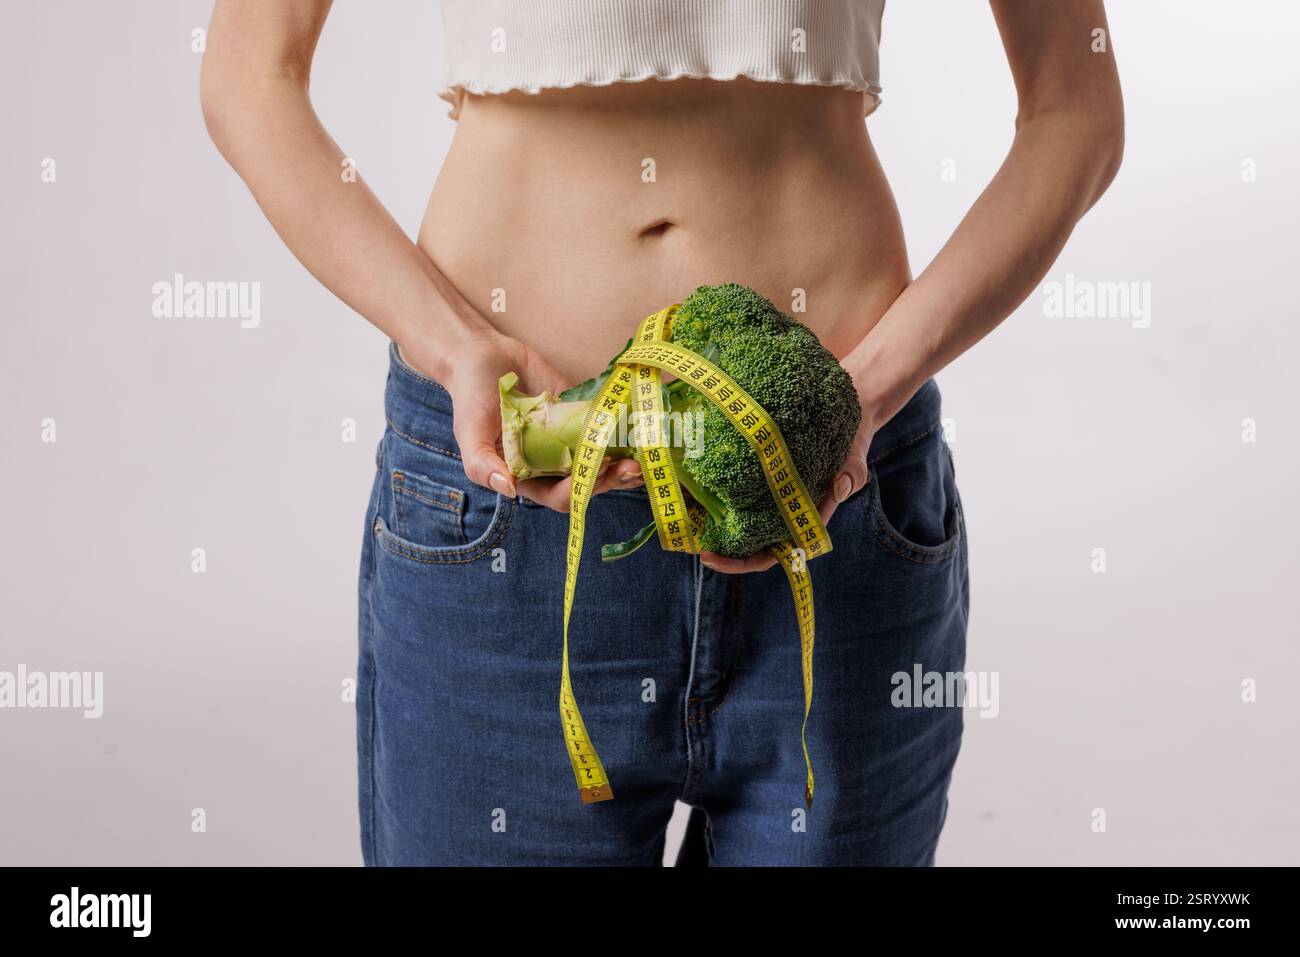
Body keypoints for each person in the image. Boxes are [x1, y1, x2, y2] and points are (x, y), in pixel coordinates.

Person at [200, 0, 1123, 865]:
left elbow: (1074, 112)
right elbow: (250, 78)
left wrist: (863, 396)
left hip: (836, 506)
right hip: (509, 507)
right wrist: (452, 345)